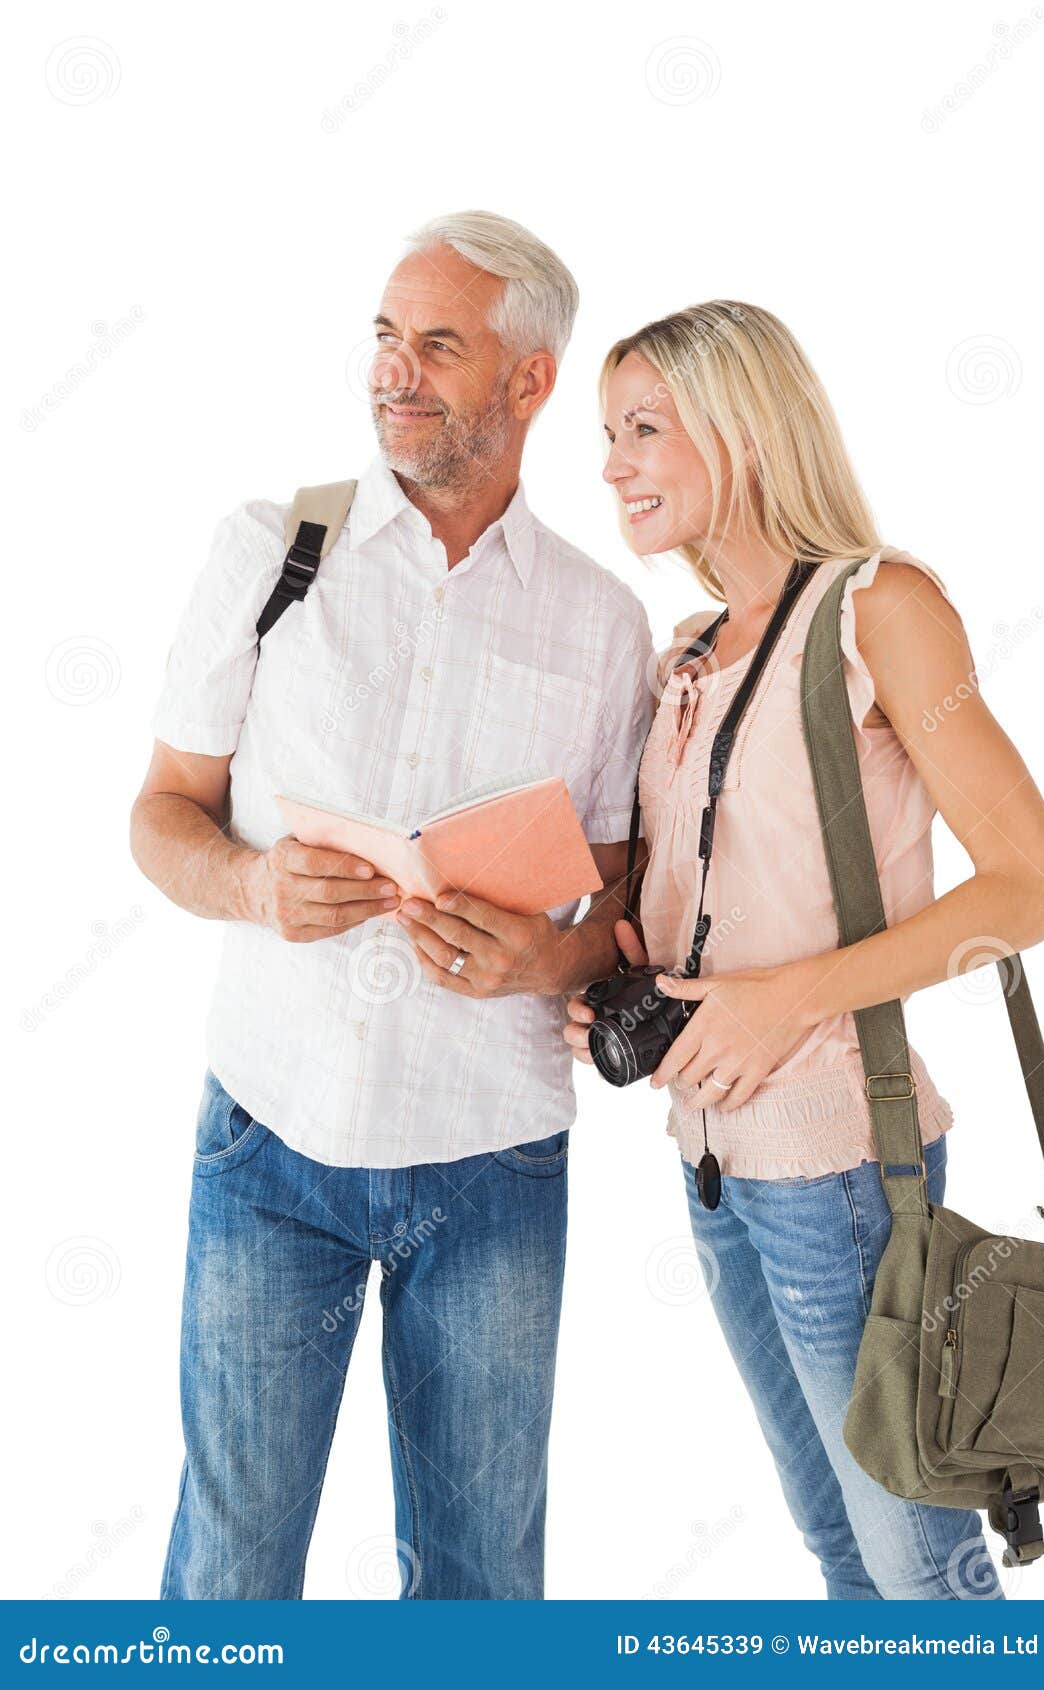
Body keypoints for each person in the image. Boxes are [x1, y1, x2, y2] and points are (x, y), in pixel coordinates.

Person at [131, 210, 654, 1600]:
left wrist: (549, 951)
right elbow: (159, 814)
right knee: (231, 1566)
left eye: (437, 344)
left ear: (530, 380)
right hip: (271, 1137)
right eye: (382, 336)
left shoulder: (602, 622)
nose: (393, 372)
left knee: (482, 1576)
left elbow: (618, 907)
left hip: (490, 1157)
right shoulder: (271, 549)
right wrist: (248, 879)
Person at [564, 300, 1044, 1599]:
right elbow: (696, 905)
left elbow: (1033, 884)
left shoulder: (877, 609)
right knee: (841, 1548)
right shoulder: (685, 655)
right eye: (605, 433)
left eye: (643, 427)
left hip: (839, 1166)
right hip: (715, 1161)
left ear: (739, 427)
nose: (611, 462)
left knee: (923, 1574)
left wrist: (785, 1000)